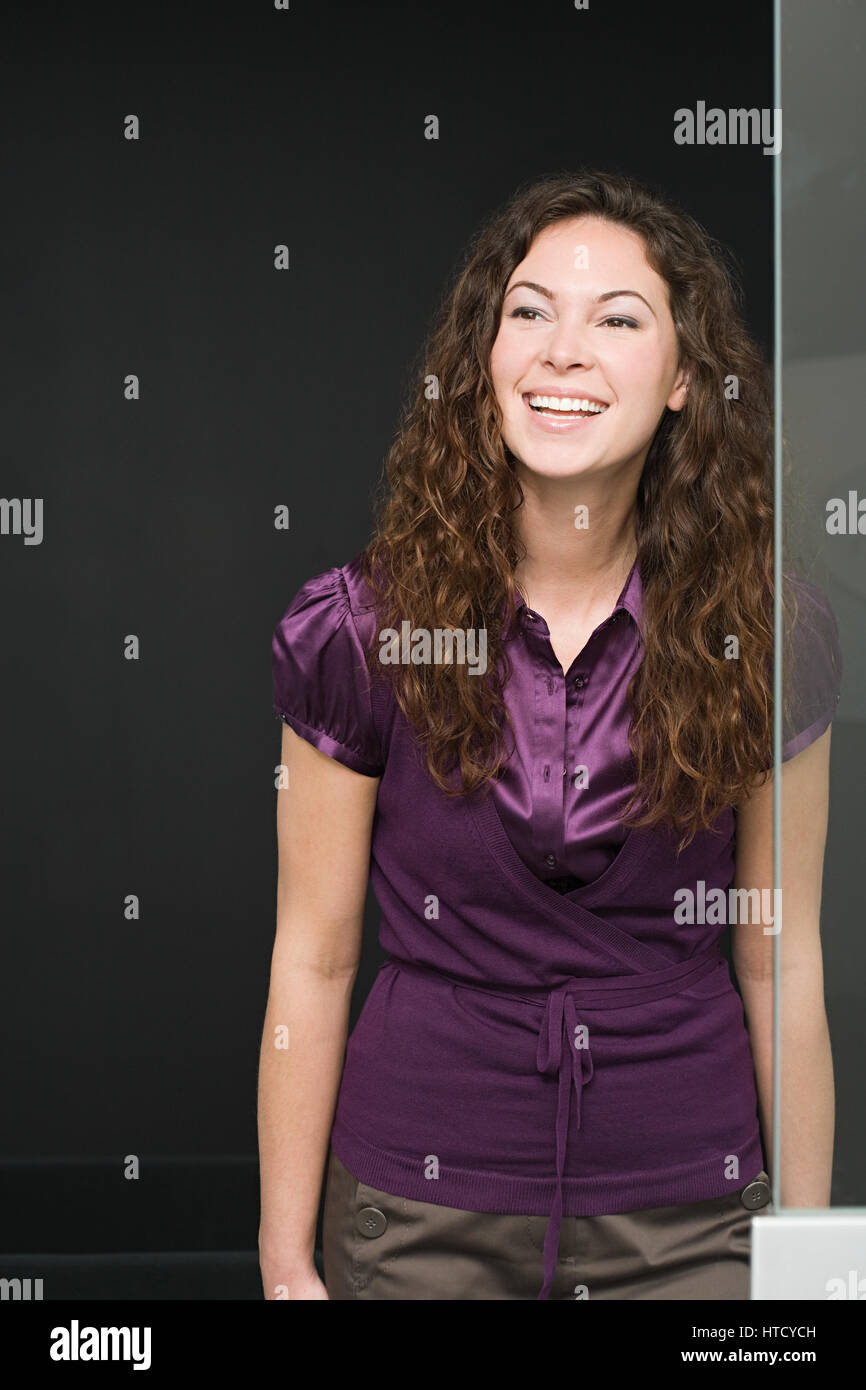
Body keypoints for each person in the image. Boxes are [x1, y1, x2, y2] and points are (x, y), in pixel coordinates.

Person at [257, 169, 842, 1301]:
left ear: (682, 380)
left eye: (616, 319)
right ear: (483, 359)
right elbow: (314, 956)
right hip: (415, 1216)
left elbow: (781, 954)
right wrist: (286, 1260)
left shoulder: (771, 634)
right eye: (529, 311)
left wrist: (810, 1260)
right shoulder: (358, 628)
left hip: (690, 1221)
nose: (561, 350)